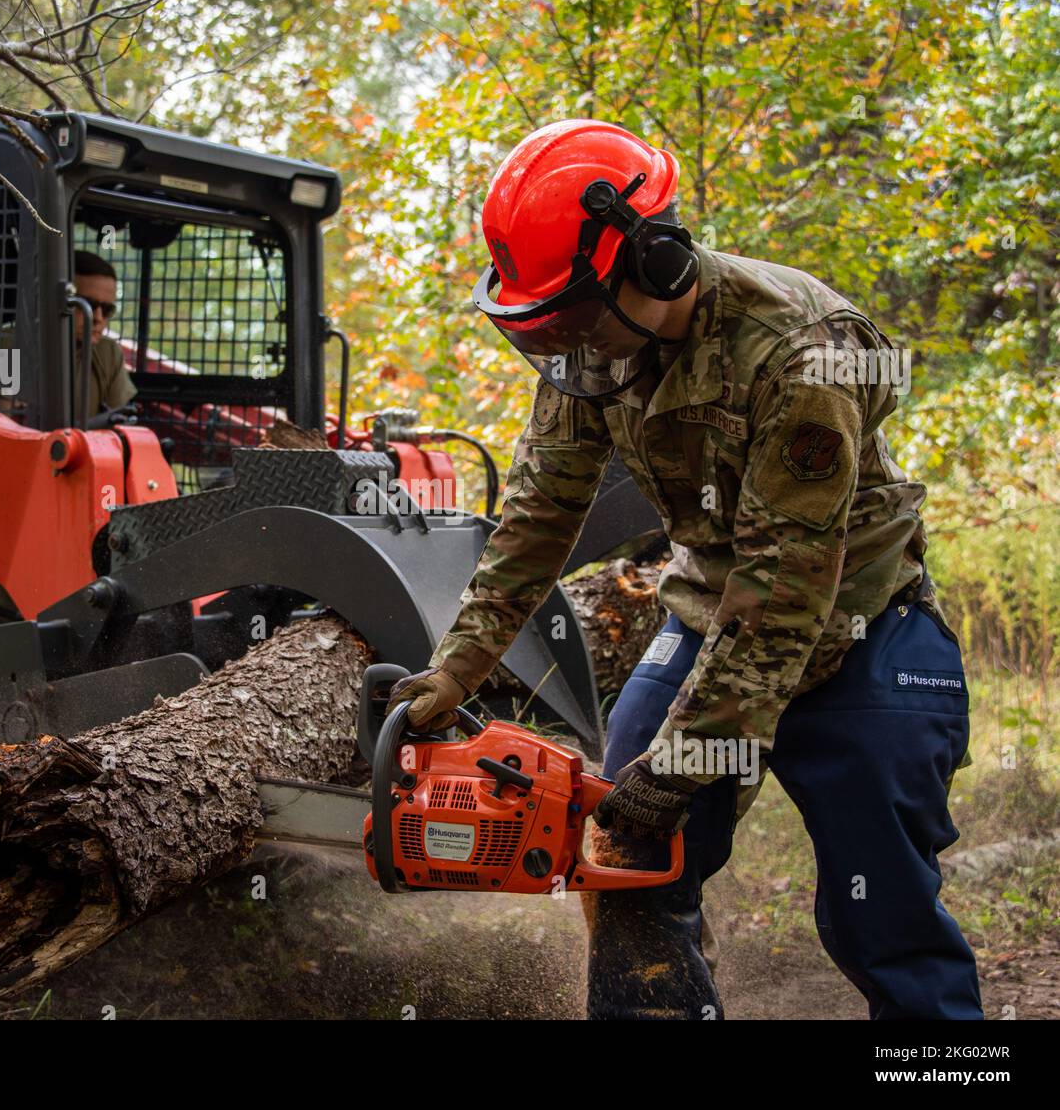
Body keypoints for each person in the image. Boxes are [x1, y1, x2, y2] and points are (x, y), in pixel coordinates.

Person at [387, 119, 981, 1020]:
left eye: (574, 313)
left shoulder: (801, 349)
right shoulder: (589, 346)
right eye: (545, 322)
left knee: (881, 914)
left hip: (859, 630)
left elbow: (784, 597)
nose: (565, 340)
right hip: (707, 617)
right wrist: (458, 666)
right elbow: (538, 517)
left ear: (656, 260)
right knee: (625, 863)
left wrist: (678, 768)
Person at [0, 249, 138, 428]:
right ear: (54, 300)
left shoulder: (107, 352)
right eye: (86, 305)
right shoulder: (5, 344)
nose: (98, 318)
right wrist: (88, 427)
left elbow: (120, 423)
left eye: (107, 309)